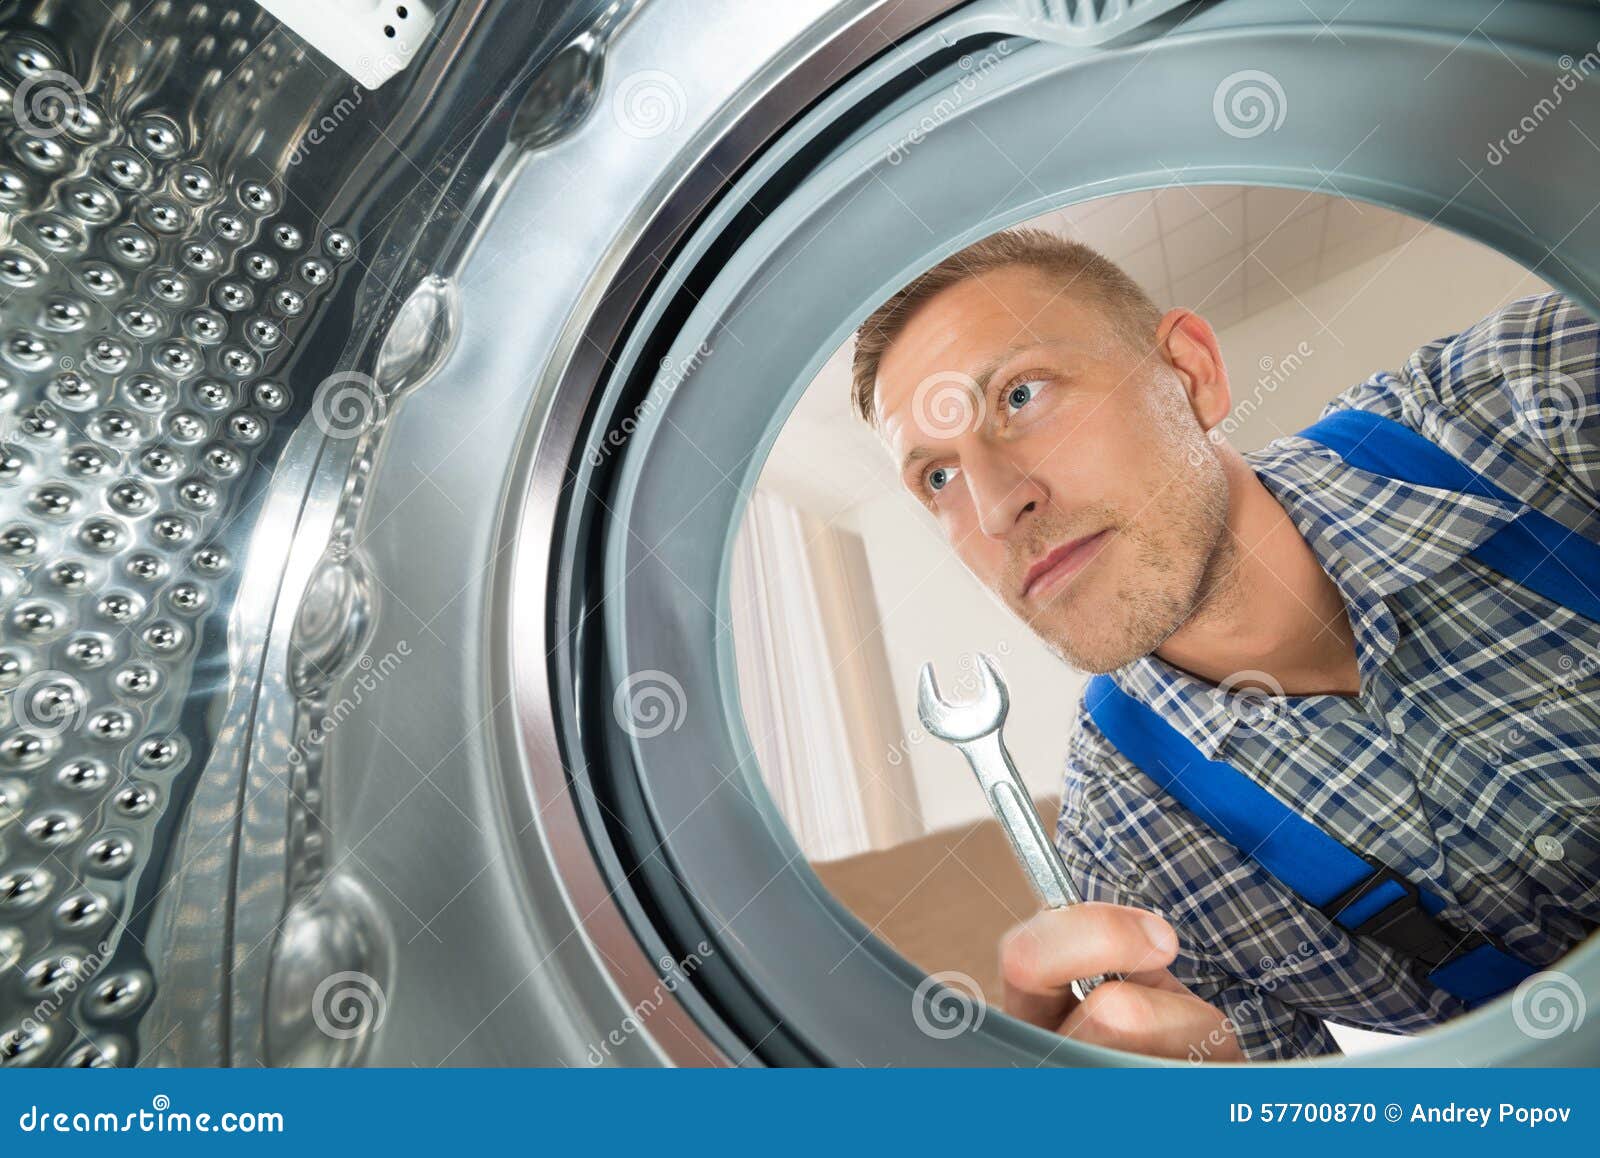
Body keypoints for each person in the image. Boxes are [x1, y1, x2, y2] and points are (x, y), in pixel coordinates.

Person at [851, 227, 1600, 1060]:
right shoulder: (1127, 859)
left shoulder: (1535, 393)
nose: (995, 508)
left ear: (1191, 374)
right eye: (939, 478)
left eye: (1020, 396)